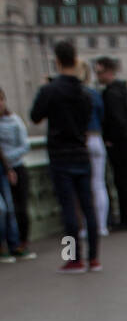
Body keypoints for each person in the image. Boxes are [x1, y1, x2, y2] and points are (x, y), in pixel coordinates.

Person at [30, 40, 101, 272]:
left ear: (57, 61)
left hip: (60, 154)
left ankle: (73, 258)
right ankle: (94, 258)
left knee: (69, 209)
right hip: (81, 151)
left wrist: (45, 88)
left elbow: (35, 116)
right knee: (88, 207)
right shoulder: (84, 93)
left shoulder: (50, 90)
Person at [95, 57, 127, 229]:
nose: (97, 76)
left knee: (121, 181)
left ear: (108, 71)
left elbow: (115, 119)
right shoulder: (123, 90)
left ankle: (126, 219)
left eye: (99, 72)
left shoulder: (110, 93)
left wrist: (110, 139)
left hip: (118, 142)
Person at [0, 88, 34, 257]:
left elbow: (24, 145)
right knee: (7, 209)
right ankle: (9, 244)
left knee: (19, 207)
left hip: (16, 167)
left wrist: (7, 159)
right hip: (4, 169)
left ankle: (21, 243)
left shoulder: (14, 121)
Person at [82, 65, 109, 237]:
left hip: (81, 140)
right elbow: (102, 115)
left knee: (83, 187)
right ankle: (102, 226)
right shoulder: (94, 94)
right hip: (96, 137)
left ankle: (86, 227)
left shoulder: (72, 94)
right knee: (99, 184)